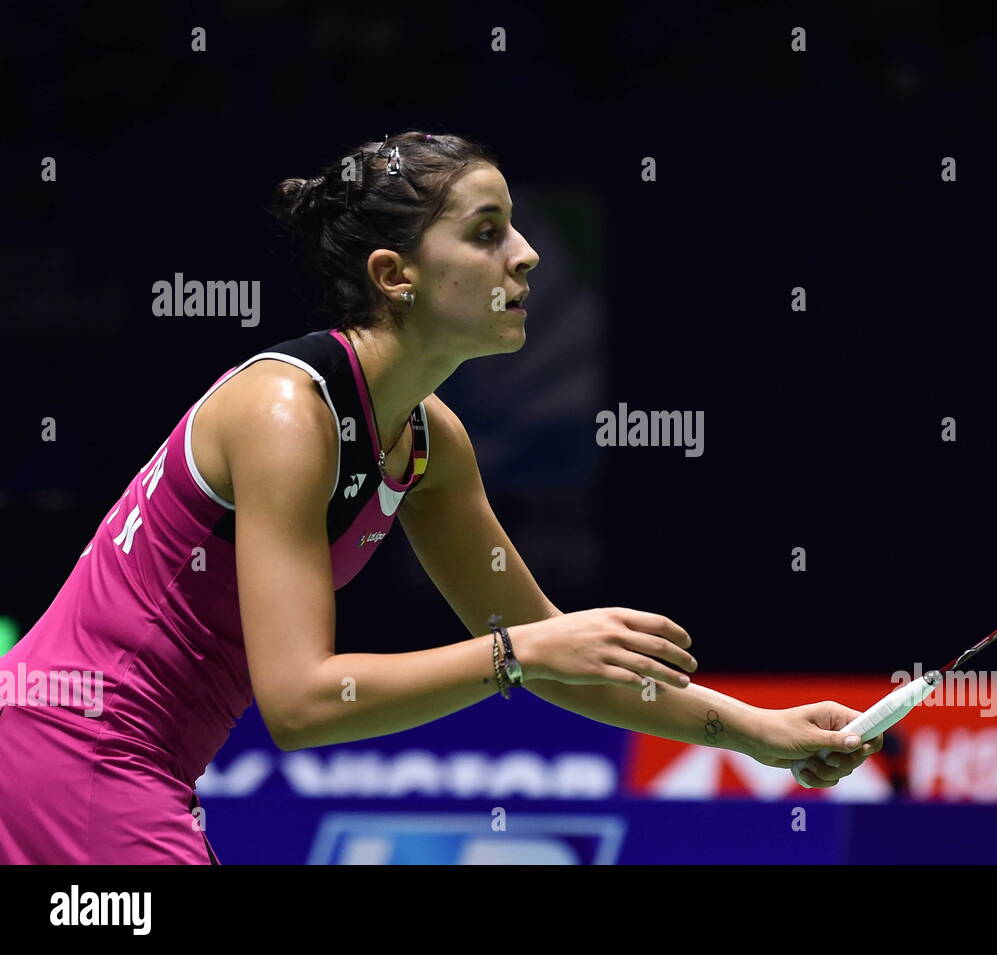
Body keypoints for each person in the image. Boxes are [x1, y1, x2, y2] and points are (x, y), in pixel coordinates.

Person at [0, 131, 880, 864]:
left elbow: (566, 663)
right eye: (488, 231)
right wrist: (519, 651)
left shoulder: (429, 443)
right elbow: (303, 701)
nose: (527, 253)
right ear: (396, 274)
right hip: (73, 753)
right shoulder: (283, 413)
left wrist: (761, 733)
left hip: (128, 766)